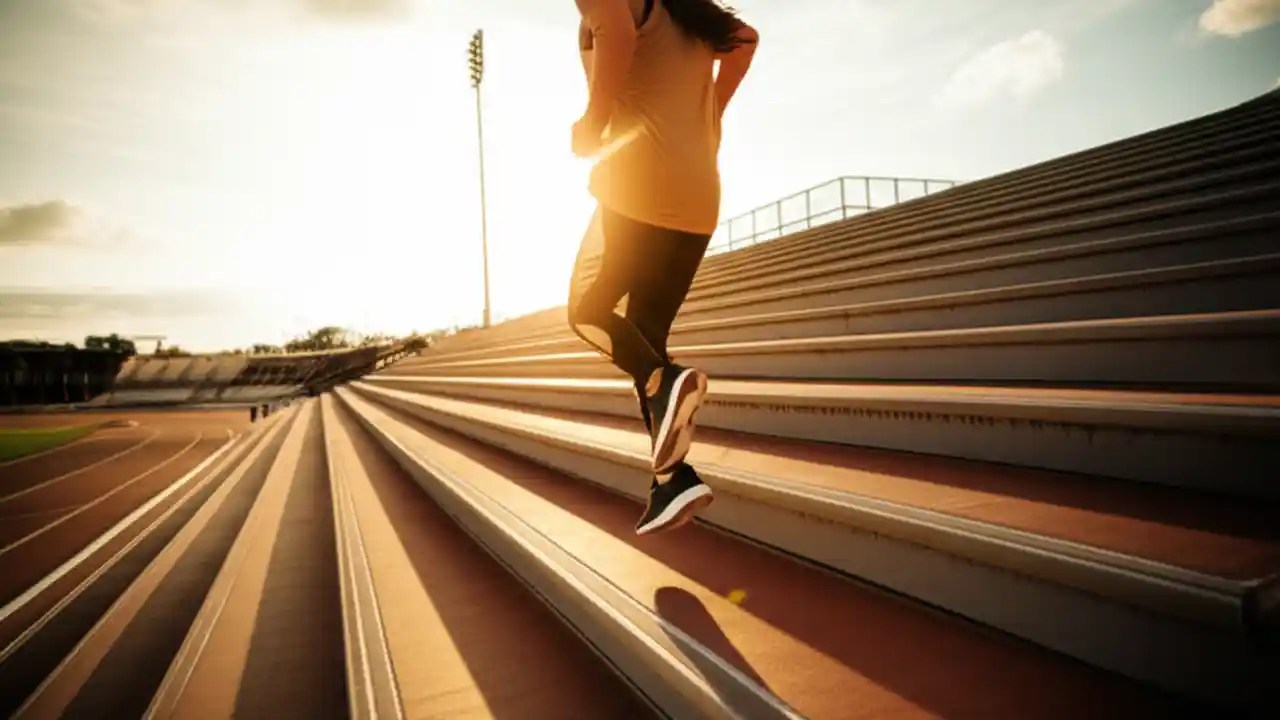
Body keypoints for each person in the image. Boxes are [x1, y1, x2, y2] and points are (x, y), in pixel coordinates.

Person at [569, 0, 758, 535]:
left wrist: (593, 123)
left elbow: (620, 36)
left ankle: (663, 379)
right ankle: (672, 480)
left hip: (637, 185)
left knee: (585, 312)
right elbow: (745, 40)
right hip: (698, 196)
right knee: (646, 333)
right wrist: (711, 116)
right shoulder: (688, 10)